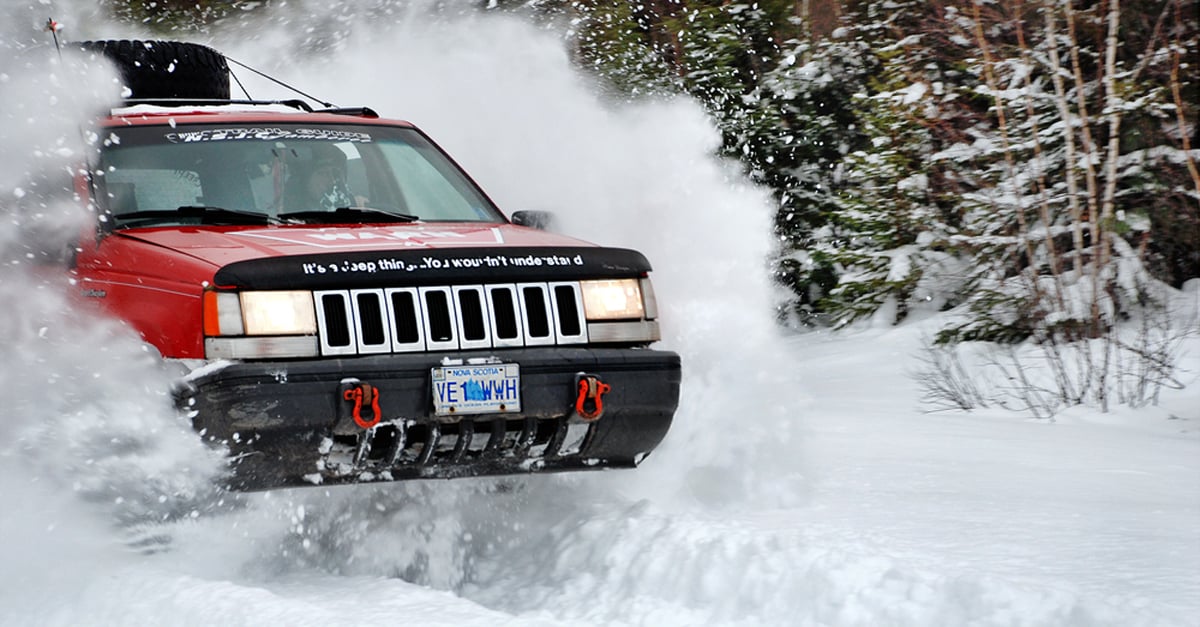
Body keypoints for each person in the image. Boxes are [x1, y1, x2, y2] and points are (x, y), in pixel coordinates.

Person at [283, 143, 355, 212]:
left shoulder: (347, 204)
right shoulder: (283, 212)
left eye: (335, 174)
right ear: (305, 180)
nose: (332, 181)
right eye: (323, 174)